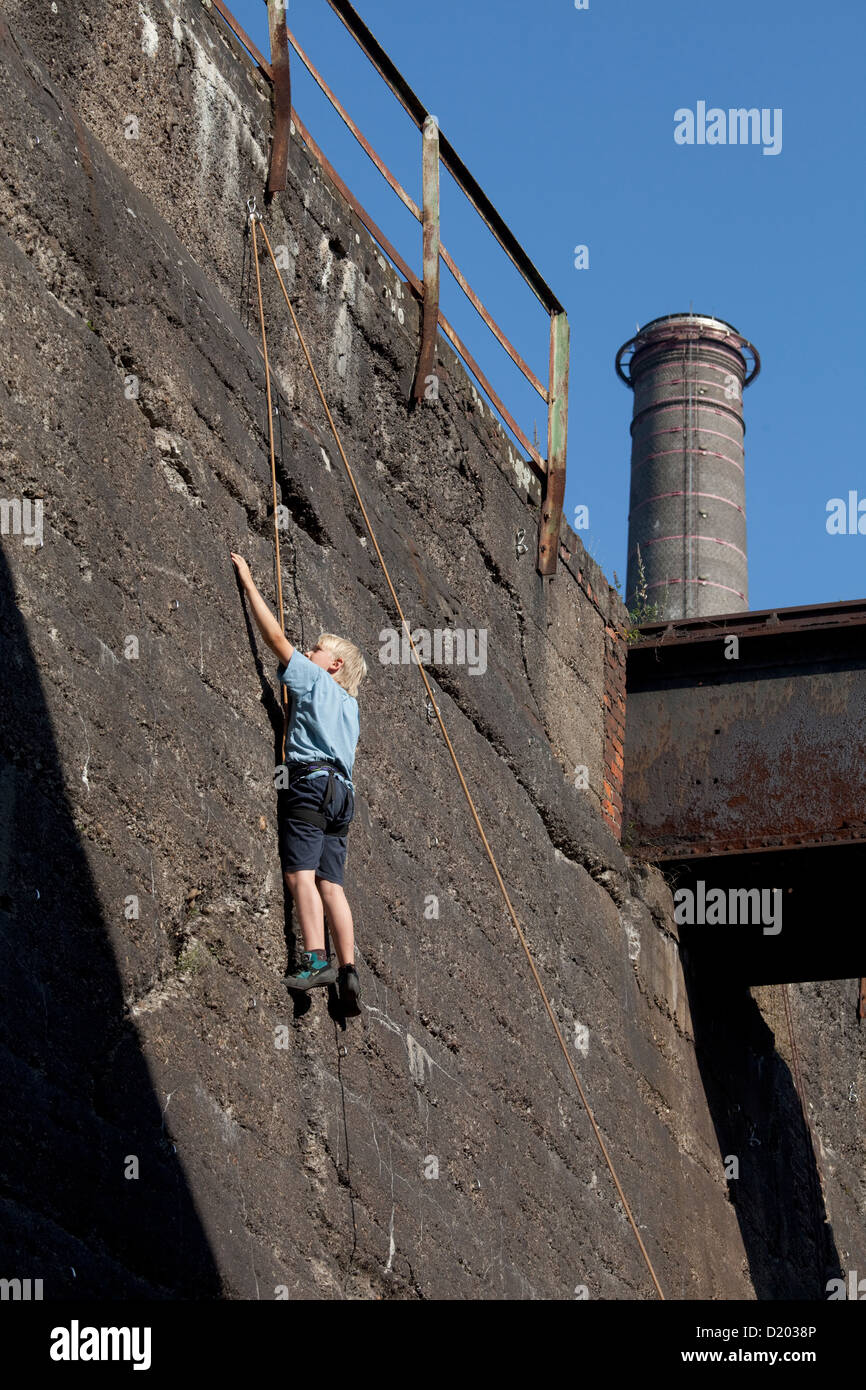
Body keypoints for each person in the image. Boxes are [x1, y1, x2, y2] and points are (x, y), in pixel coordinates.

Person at [230, 552, 366, 1014]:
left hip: (309, 784)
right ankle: (349, 971)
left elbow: (274, 638)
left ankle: (315, 961)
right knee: (333, 885)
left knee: (298, 874)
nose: (310, 651)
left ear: (333, 666)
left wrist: (248, 582)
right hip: (342, 795)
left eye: (318, 650)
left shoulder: (315, 680)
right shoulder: (352, 709)